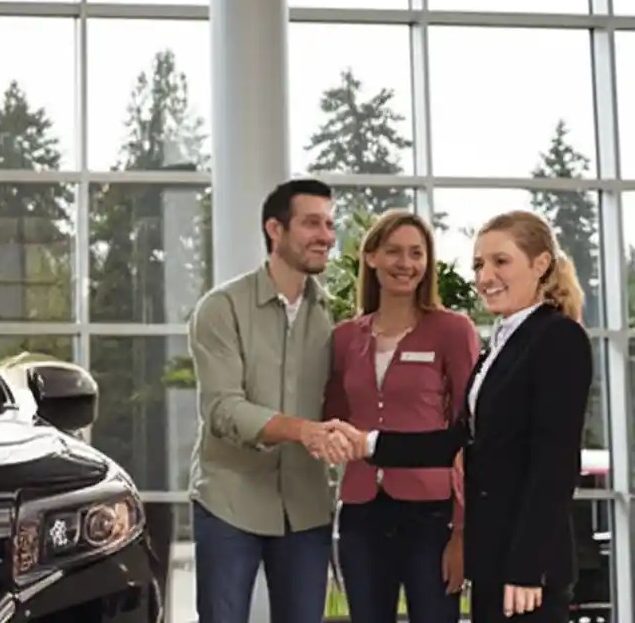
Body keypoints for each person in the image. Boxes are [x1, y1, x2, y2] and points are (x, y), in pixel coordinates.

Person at [328, 210, 592, 623]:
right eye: (479, 264)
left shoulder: (557, 337)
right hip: (493, 562)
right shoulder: (504, 342)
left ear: (540, 264)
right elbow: (460, 440)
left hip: (524, 571)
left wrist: (527, 569)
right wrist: (370, 443)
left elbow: (555, 466)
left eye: (500, 261)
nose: (485, 275)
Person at [188, 178, 351, 623]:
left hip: (306, 505)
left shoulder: (333, 317)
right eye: (312, 223)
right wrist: (302, 430)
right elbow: (223, 409)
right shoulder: (221, 308)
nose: (326, 236)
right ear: (275, 230)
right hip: (229, 501)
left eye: (330, 225)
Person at [322, 210, 480, 623]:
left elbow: (470, 433)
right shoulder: (344, 338)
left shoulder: (452, 330)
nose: (405, 264)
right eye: (393, 251)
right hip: (360, 512)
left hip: (431, 515)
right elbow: (333, 418)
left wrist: (462, 532)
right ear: (371, 257)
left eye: (416, 253)